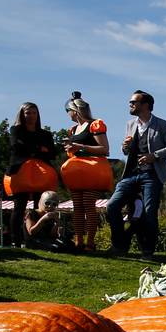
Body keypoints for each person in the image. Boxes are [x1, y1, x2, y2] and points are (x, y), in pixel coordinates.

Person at [107, 90, 166, 258]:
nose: (130, 104)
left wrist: (154, 156)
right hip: (131, 174)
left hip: (152, 175)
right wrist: (125, 147)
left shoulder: (162, 125)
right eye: (130, 102)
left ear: (146, 105)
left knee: (148, 212)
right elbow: (126, 151)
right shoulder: (130, 124)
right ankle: (119, 246)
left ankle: (147, 250)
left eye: (134, 102)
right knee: (112, 205)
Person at [63, 92, 109, 251]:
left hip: (92, 169)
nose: (67, 114)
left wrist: (80, 147)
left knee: (89, 205)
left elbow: (104, 149)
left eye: (68, 111)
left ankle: (90, 241)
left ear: (74, 111)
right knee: (77, 206)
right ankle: (78, 241)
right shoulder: (73, 129)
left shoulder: (95, 125)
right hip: (76, 170)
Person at [6, 103, 56, 247]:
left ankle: (37, 238)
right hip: (20, 172)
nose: (31, 116)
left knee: (40, 206)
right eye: (28, 113)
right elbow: (16, 146)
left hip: (41, 173)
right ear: (22, 114)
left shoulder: (45, 134)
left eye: (34, 113)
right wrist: (40, 149)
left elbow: (52, 153)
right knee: (19, 206)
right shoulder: (16, 130)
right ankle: (15, 240)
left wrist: (30, 149)